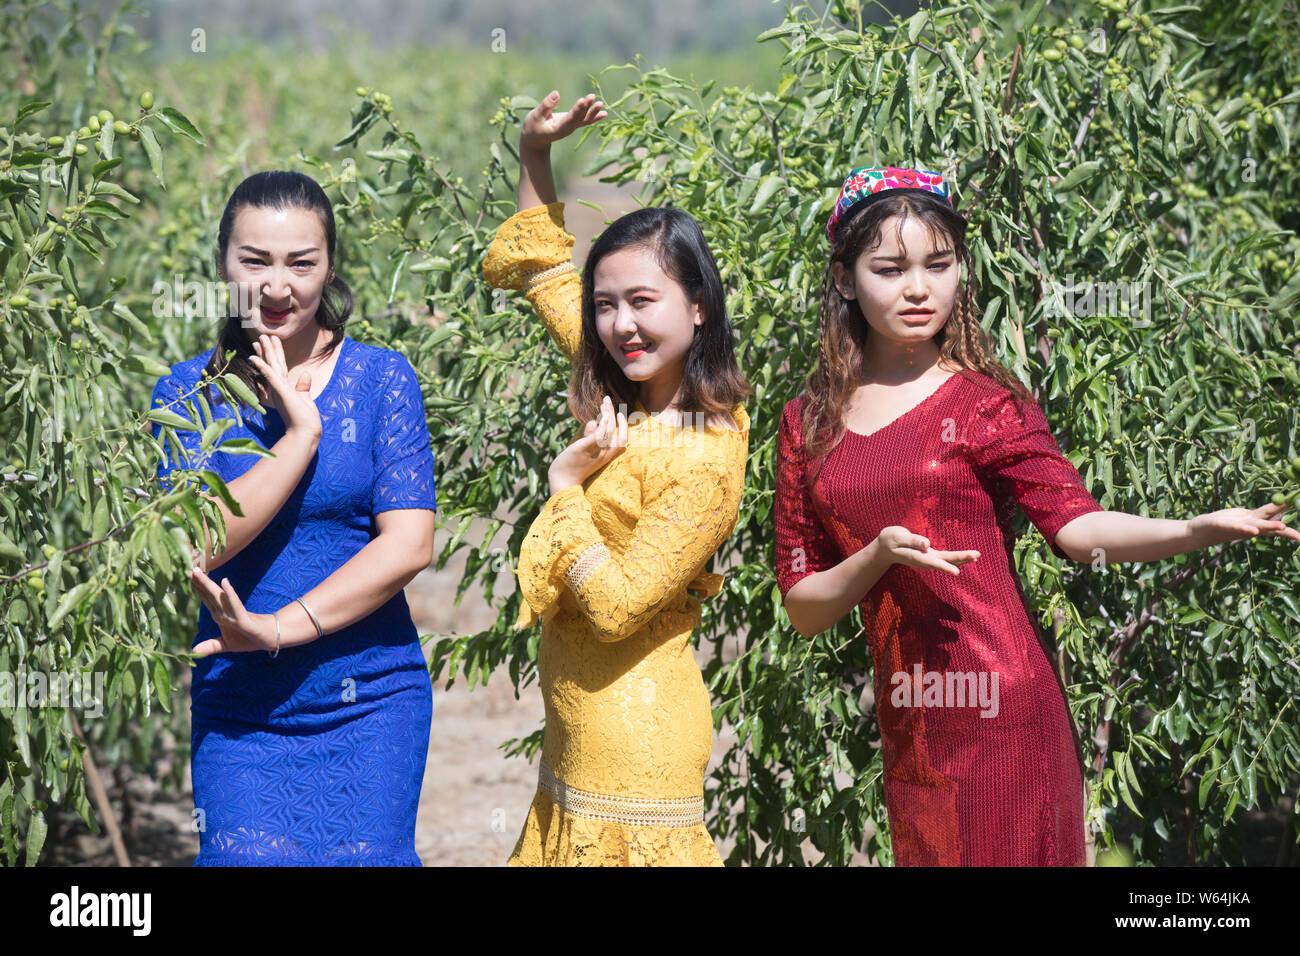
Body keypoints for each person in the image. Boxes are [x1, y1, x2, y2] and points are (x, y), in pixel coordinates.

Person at [773, 165, 1300, 866]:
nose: (919, 287)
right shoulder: (806, 425)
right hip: (913, 720)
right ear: (844, 279)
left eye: (940, 263)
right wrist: (877, 556)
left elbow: (1078, 530)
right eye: (890, 268)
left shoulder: (985, 404)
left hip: (1006, 708)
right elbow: (805, 609)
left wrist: (1194, 530)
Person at [482, 91, 752, 866]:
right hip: (577, 729)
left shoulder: (706, 453)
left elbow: (615, 609)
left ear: (697, 308)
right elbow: (542, 265)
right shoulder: (614, 390)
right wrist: (536, 153)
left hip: (639, 740)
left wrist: (565, 493)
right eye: (607, 306)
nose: (621, 324)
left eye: (643, 301)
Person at [149, 170, 437, 865]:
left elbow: (410, 545)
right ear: (223, 262)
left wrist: (277, 628)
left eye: (301, 263)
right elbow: (198, 541)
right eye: (255, 261)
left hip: (369, 698)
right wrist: (300, 436)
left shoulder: (381, 379)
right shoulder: (188, 395)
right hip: (240, 706)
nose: (278, 286)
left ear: (329, 265)